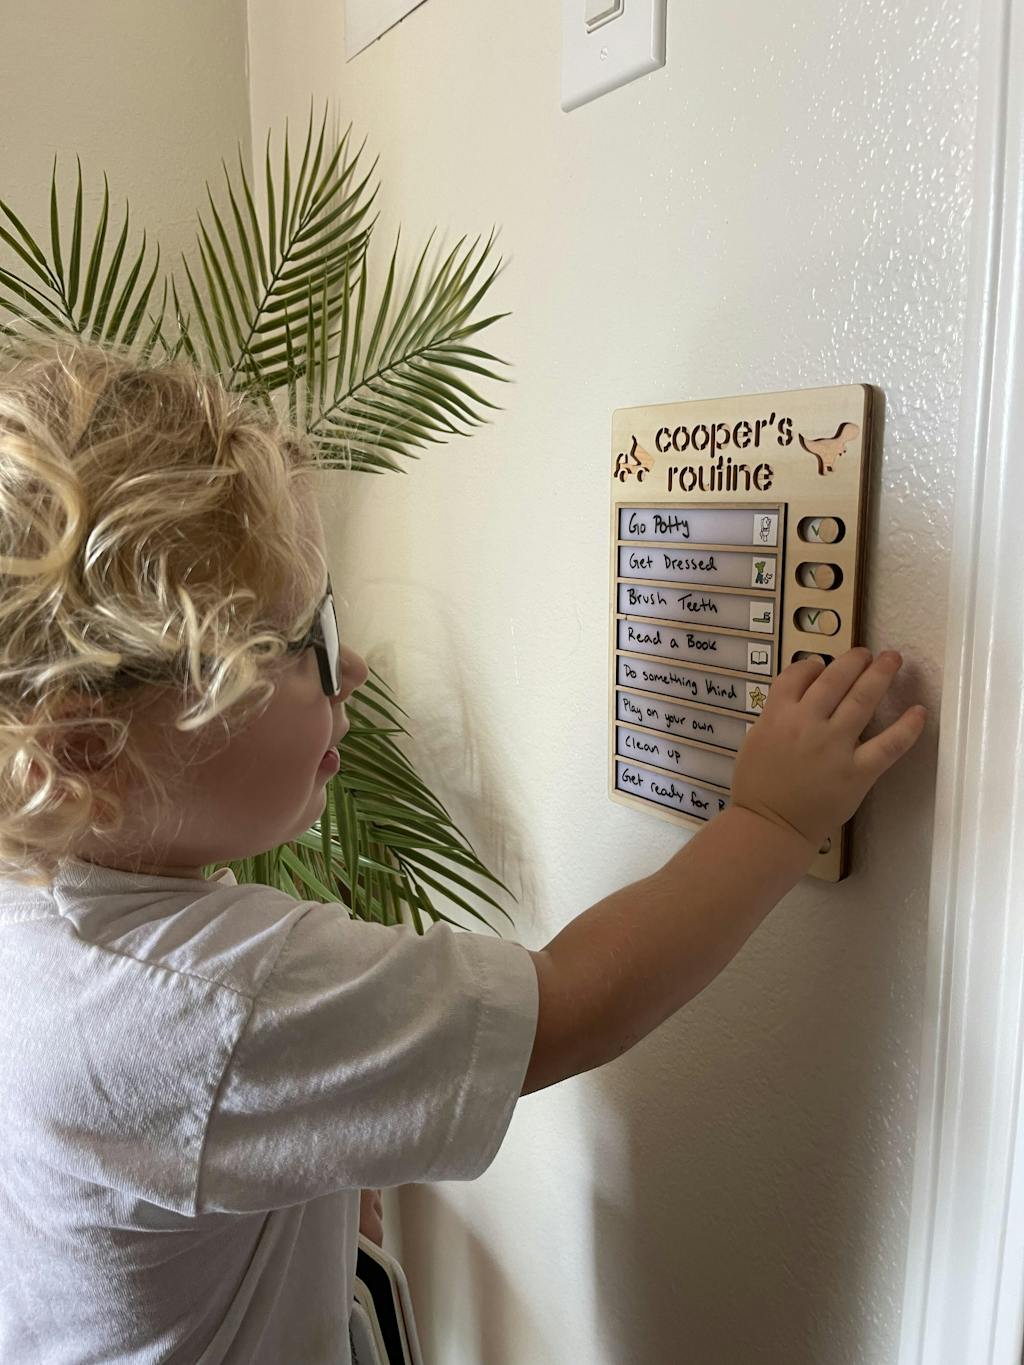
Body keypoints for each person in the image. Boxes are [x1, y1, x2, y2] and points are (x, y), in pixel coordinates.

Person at [0, 336, 926, 1364]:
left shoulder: (41, 905)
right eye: (301, 640)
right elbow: (574, 1002)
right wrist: (772, 823)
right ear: (90, 747)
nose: (350, 664)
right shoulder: (211, 999)